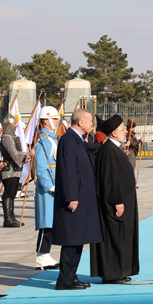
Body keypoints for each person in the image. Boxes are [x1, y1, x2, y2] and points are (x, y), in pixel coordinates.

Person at [52, 108, 103, 290]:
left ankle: (71, 276)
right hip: (74, 200)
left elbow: (91, 149)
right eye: (89, 121)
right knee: (71, 240)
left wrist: (111, 143)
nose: (92, 124)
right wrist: (71, 197)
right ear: (80, 122)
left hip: (82, 198)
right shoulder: (68, 140)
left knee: (78, 240)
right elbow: (67, 171)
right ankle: (64, 279)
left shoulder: (78, 139)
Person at [90, 115, 139, 284]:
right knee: (115, 238)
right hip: (116, 204)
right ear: (113, 133)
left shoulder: (115, 148)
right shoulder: (108, 150)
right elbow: (110, 179)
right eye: (122, 129)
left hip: (125, 201)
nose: (126, 131)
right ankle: (113, 274)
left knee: (123, 237)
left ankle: (121, 270)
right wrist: (117, 201)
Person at [35, 106, 61, 269]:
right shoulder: (45, 140)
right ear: (46, 121)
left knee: (51, 222)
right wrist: (50, 186)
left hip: (54, 184)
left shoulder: (51, 138)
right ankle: (41, 256)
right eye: (55, 118)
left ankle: (45, 254)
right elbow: (41, 166)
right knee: (46, 222)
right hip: (48, 187)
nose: (58, 121)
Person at [0, 115, 30, 228]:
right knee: (8, 194)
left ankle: (12, 217)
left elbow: (16, 154)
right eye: (13, 124)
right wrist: (26, 154)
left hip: (15, 169)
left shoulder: (12, 136)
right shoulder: (6, 137)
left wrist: (23, 159)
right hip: (9, 170)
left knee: (12, 194)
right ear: (8, 125)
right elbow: (13, 153)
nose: (15, 126)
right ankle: (7, 219)